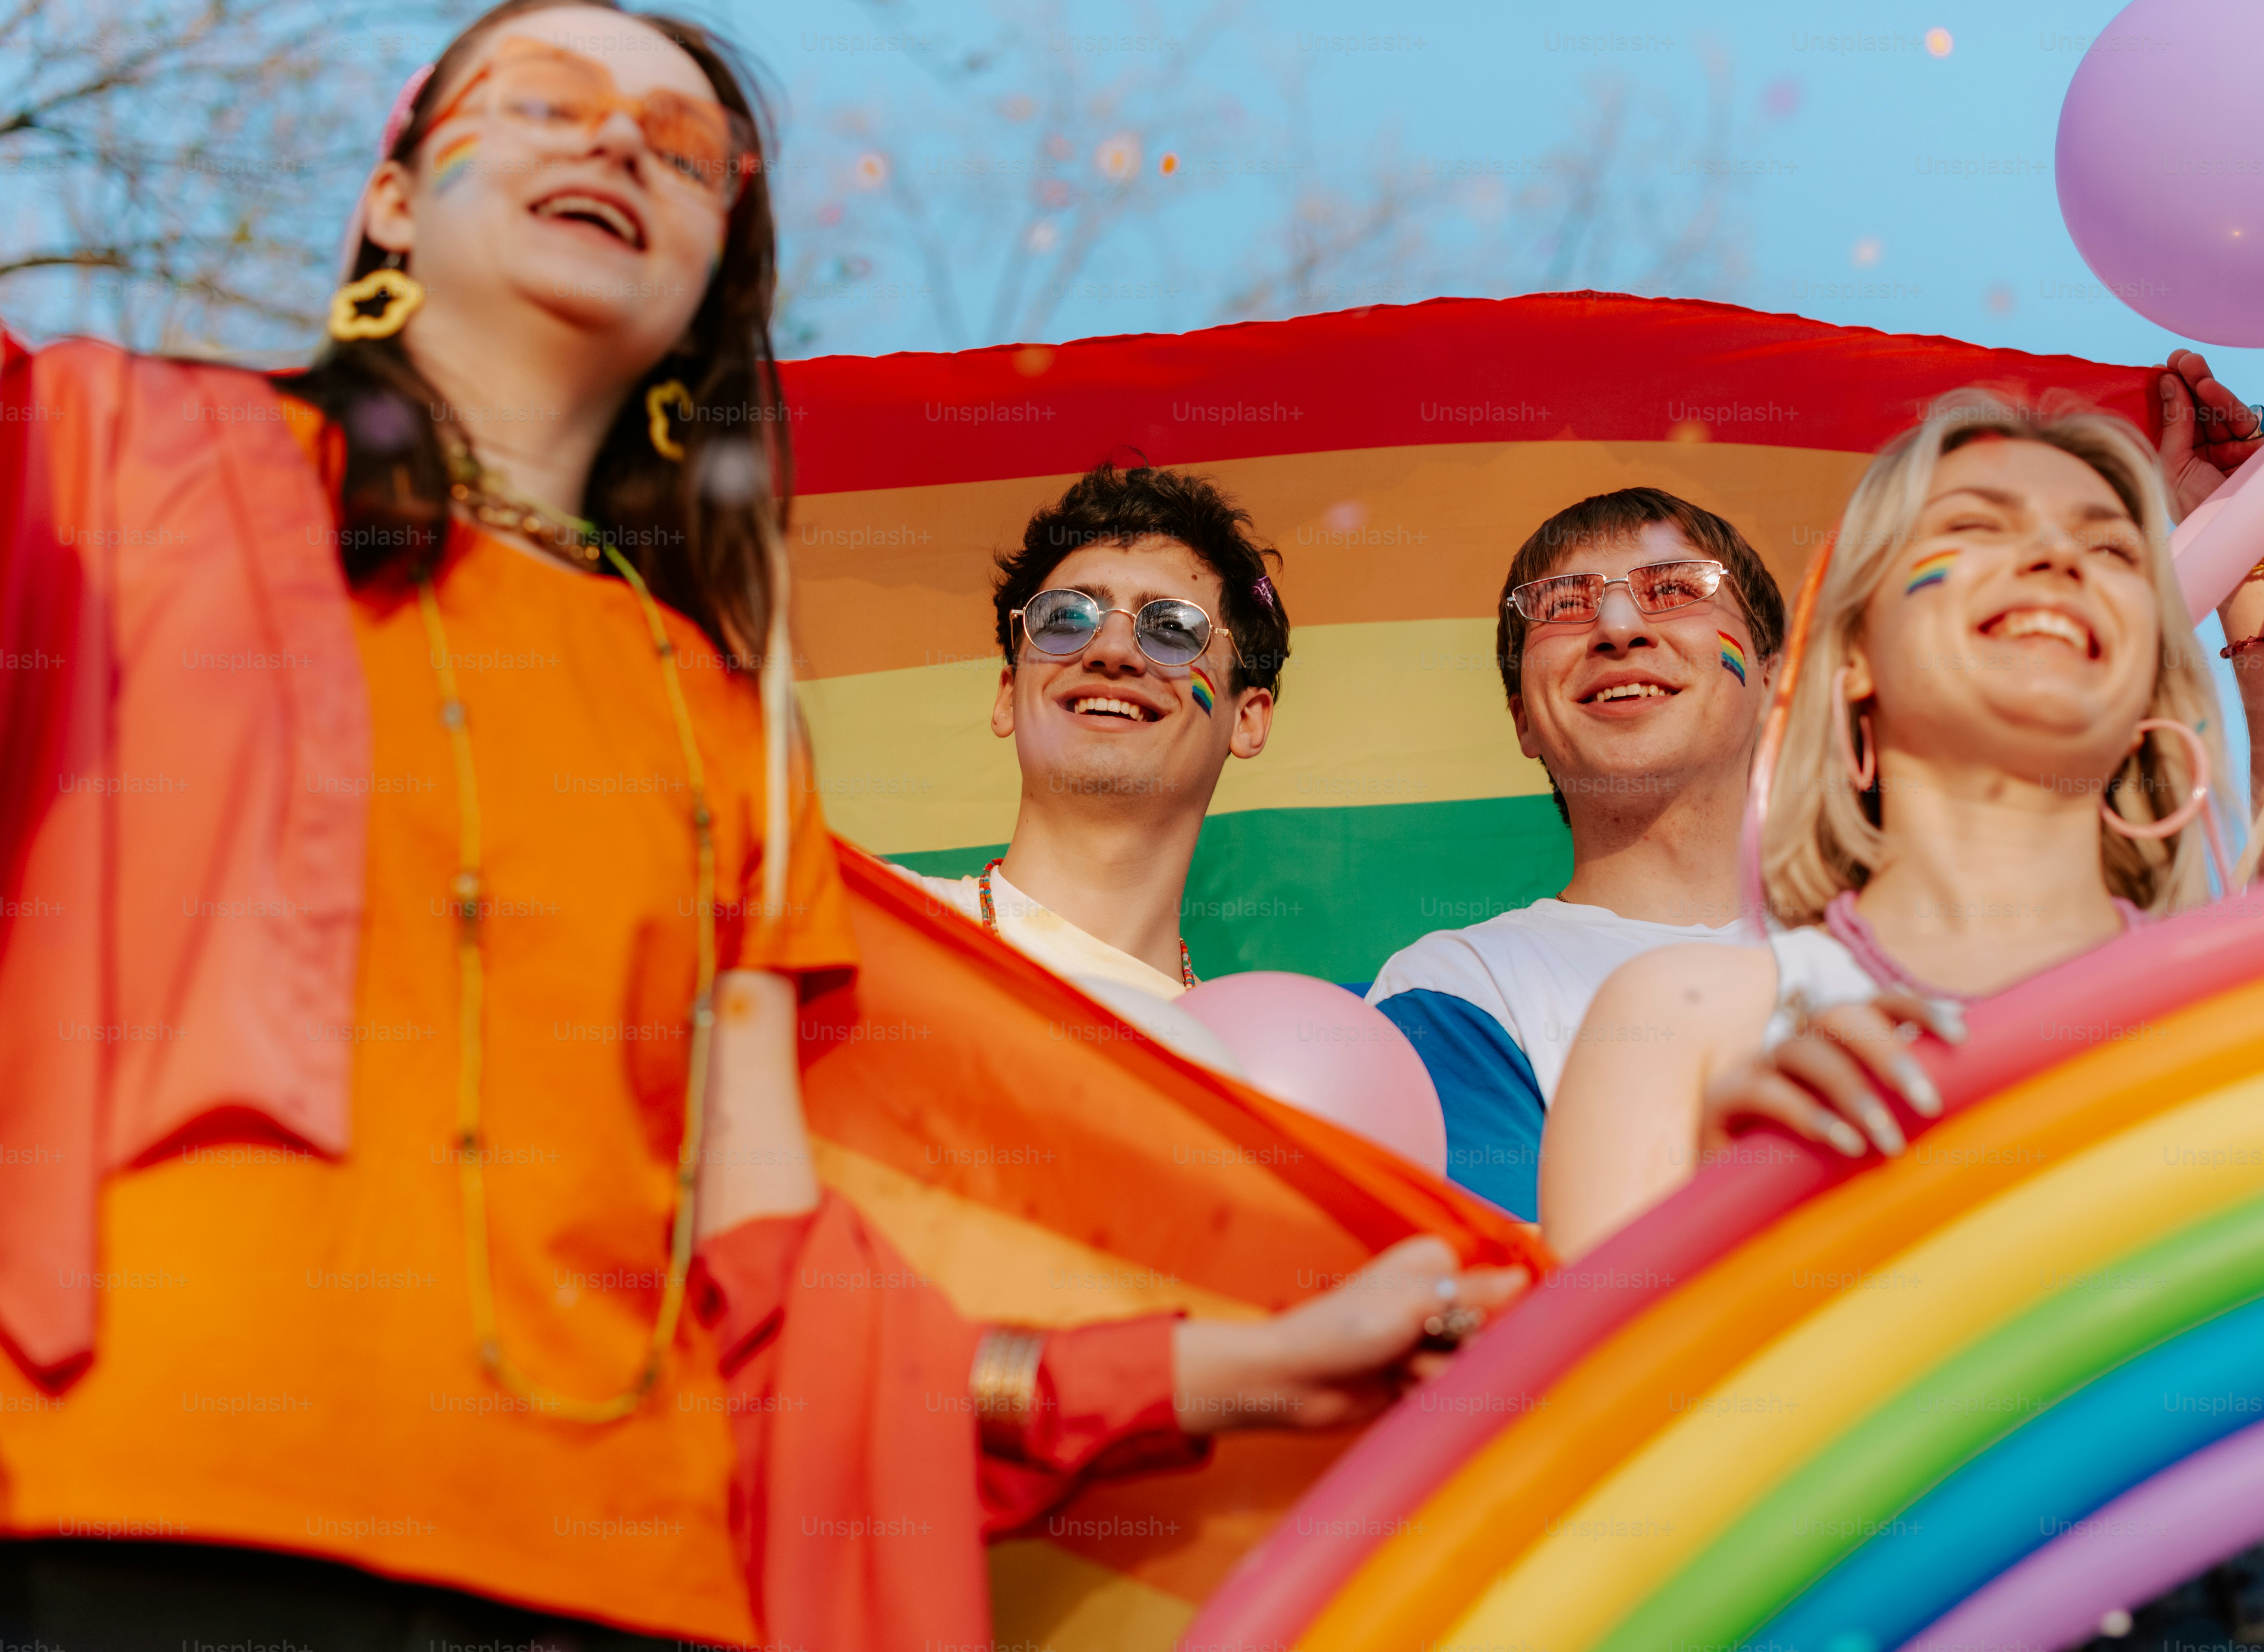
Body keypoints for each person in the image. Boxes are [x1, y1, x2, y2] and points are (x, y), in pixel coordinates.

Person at [0, 6, 1524, 1648]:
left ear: (717, 275)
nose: (611, 143)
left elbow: (783, 1298)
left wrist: (1229, 1366)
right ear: (388, 199)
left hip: (620, 1584)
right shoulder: (100, 462)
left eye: (681, 147)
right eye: (546, 99)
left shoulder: (713, 719)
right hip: (130, 1514)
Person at [1542, 376, 2264, 1259]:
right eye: (1975, 528)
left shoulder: (2231, 1020)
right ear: (1854, 661)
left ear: (2147, 679)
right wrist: (1736, 1210)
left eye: (2108, 551)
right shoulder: (1683, 1022)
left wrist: (2262, 563)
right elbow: (1584, 1391)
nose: (2055, 559)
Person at [1363, 489, 1787, 1219]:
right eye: (1563, 605)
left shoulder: (1919, 956)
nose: (1618, 628)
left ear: (1778, 686)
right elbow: (1542, 1312)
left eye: (1677, 589)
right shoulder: (1452, 995)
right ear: (1525, 719)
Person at [899, 457, 1286, 1000]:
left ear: (1246, 720)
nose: (1111, 651)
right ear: (1009, 696)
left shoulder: (1241, 1069)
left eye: (1173, 629)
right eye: (1065, 618)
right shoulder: (863, 931)